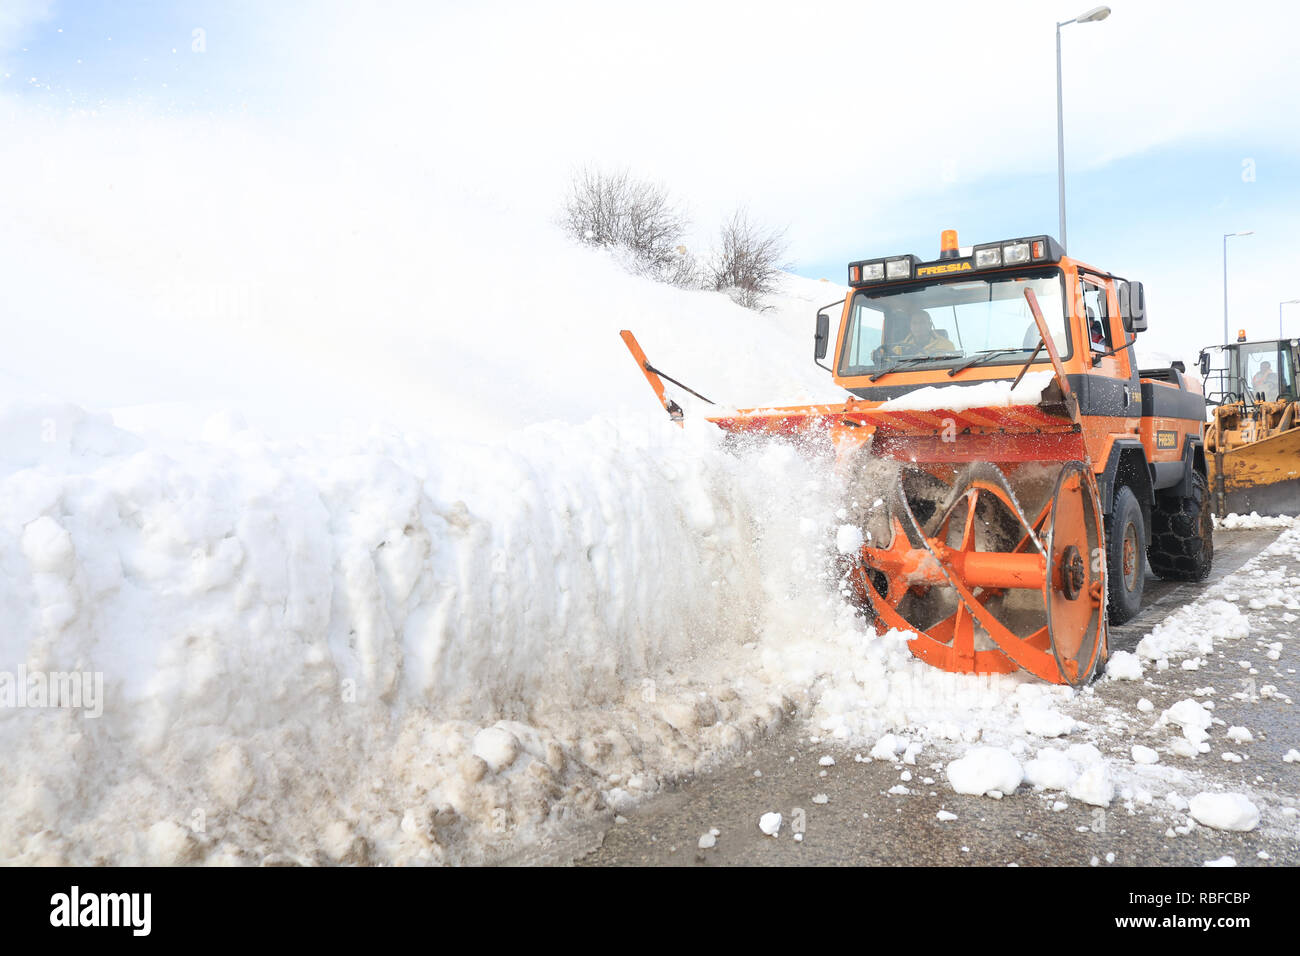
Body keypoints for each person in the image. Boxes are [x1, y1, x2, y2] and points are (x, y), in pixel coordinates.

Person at [888, 310, 957, 357]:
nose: (918, 326)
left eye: (922, 322)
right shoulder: (900, 348)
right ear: (910, 326)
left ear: (930, 325)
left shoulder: (946, 345)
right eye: (914, 323)